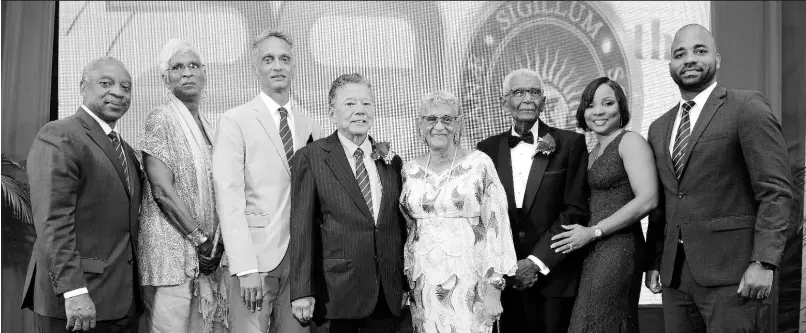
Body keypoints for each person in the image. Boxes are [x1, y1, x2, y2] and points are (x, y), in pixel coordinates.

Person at [644, 24, 793, 332]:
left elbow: (775, 192)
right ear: (670, 65)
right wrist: (655, 260)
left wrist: (764, 262)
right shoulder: (658, 127)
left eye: (700, 51)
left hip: (735, 275)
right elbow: (663, 205)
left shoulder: (746, 107)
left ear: (718, 59)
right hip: (675, 278)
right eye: (679, 54)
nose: (689, 60)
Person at [22, 56, 143, 332]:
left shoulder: (125, 151)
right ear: (83, 87)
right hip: (76, 303)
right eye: (106, 83)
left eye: (126, 87)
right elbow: (53, 221)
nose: (118, 92)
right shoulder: (60, 135)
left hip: (121, 303)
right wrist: (74, 291)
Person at [212, 30, 321, 333]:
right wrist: (244, 266)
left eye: (284, 59)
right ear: (255, 67)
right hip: (255, 262)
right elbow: (228, 197)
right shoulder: (235, 120)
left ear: (294, 66)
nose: (277, 66)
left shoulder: (309, 122)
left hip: (299, 263)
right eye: (268, 59)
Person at [289, 73, 407, 333]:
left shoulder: (391, 161)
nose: (360, 111)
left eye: (366, 103)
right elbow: (301, 229)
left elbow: (397, 227)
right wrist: (301, 290)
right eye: (350, 104)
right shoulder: (312, 157)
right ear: (332, 113)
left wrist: (404, 284)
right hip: (336, 296)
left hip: (386, 296)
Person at [477, 68, 590, 333]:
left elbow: (574, 210)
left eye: (534, 92)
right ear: (503, 102)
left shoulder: (570, 143)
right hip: (503, 279)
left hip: (554, 276)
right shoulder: (485, 150)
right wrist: (507, 267)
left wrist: (535, 263)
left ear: (544, 101)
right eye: (518, 92)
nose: (527, 98)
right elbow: (484, 215)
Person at [400, 90, 518, 333]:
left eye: (447, 119)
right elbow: (406, 229)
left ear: (459, 123)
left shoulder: (479, 164)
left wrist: (494, 289)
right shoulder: (408, 170)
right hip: (423, 284)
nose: (439, 126)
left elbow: (497, 227)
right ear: (420, 125)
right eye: (431, 119)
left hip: (470, 282)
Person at [550, 77, 658, 332]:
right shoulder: (592, 151)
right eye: (590, 105)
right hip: (591, 250)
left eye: (607, 103)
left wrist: (595, 230)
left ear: (620, 107)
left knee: (600, 323)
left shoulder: (630, 142)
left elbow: (648, 199)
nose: (598, 111)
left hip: (618, 249)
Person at [138, 39, 228, 333]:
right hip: (172, 256)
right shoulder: (160, 118)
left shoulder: (209, 125)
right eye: (178, 67)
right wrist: (201, 240)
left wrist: (213, 244)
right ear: (165, 78)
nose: (187, 73)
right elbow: (161, 191)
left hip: (206, 257)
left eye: (193, 66)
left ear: (205, 74)